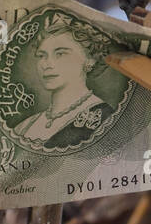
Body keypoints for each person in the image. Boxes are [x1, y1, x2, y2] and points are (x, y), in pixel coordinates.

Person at [13, 12, 114, 148]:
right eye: (42, 55)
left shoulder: (106, 118)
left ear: (90, 60)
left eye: (60, 54)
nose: (47, 64)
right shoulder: (24, 127)